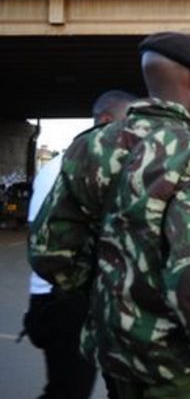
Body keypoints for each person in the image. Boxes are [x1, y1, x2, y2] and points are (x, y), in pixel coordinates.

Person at [30, 31, 190, 395]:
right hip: (176, 363)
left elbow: (48, 251)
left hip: (113, 348)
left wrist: (104, 293)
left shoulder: (89, 146)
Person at [24, 90, 136, 399]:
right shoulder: (67, 167)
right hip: (62, 300)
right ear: (105, 121)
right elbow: (49, 248)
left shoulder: (95, 165)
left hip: (90, 299)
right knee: (68, 391)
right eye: (128, 124)